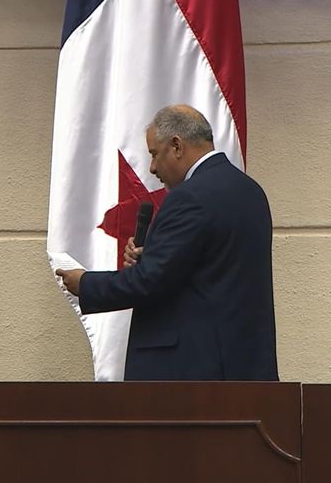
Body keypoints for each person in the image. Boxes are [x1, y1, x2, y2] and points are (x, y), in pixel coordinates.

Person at [57, 105, 278, 380]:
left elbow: (150, 281)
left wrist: (86, 284)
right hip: (245, 368)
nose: (151, 167)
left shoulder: (190, 197)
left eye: (153, 154)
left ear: (176, 146)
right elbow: (212, 269)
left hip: (193, 377)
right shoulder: (251, 191)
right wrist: (150, 256)